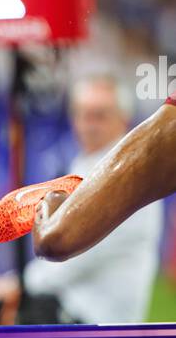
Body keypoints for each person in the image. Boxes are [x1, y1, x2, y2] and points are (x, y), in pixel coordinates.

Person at [22, 75, 163, 323]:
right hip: (70, 311)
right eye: (83, 114)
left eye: (100, 115)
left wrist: (17, 283)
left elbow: (73, 258)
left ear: (124, 119)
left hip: (100, 325)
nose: (90, 125)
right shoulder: (84, 165)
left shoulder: (128, 175)